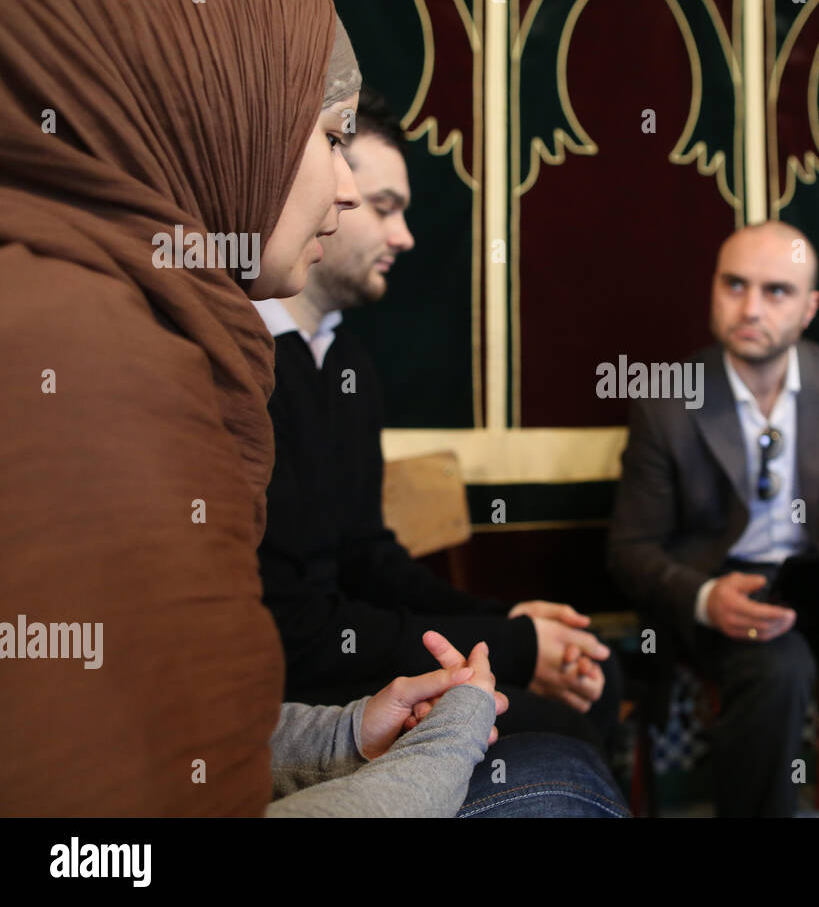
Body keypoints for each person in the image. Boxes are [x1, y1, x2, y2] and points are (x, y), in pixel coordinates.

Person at [0, 0, 623, 818]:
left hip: (314, 709)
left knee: (573, 722)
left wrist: (500, 626)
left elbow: (356, 563)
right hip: (313, 687)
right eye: (333, 145)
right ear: (221, 121)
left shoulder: (320, 363)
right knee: (555, 769)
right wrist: (497, 660)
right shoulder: (98, 344)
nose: (348, 199)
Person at [255, 84, 622, 750]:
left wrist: (504, 620)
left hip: (344, 643)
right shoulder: (243, 366)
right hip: (291, 685)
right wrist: (511, 646)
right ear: (314, 190)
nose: (405, 236)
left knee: (598, 667)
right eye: (385, 207)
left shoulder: (346, 361)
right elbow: (295, 628)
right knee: (560, 726)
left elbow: (367, 557)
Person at [608, 221, 819, 817]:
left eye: (776, 292)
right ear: (713, 289)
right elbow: (630, 550)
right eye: (735, 285)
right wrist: (705, 597)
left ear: (808, 308)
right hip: (725, 590)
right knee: (780, 668)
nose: (750, 307)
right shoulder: (666, 403)